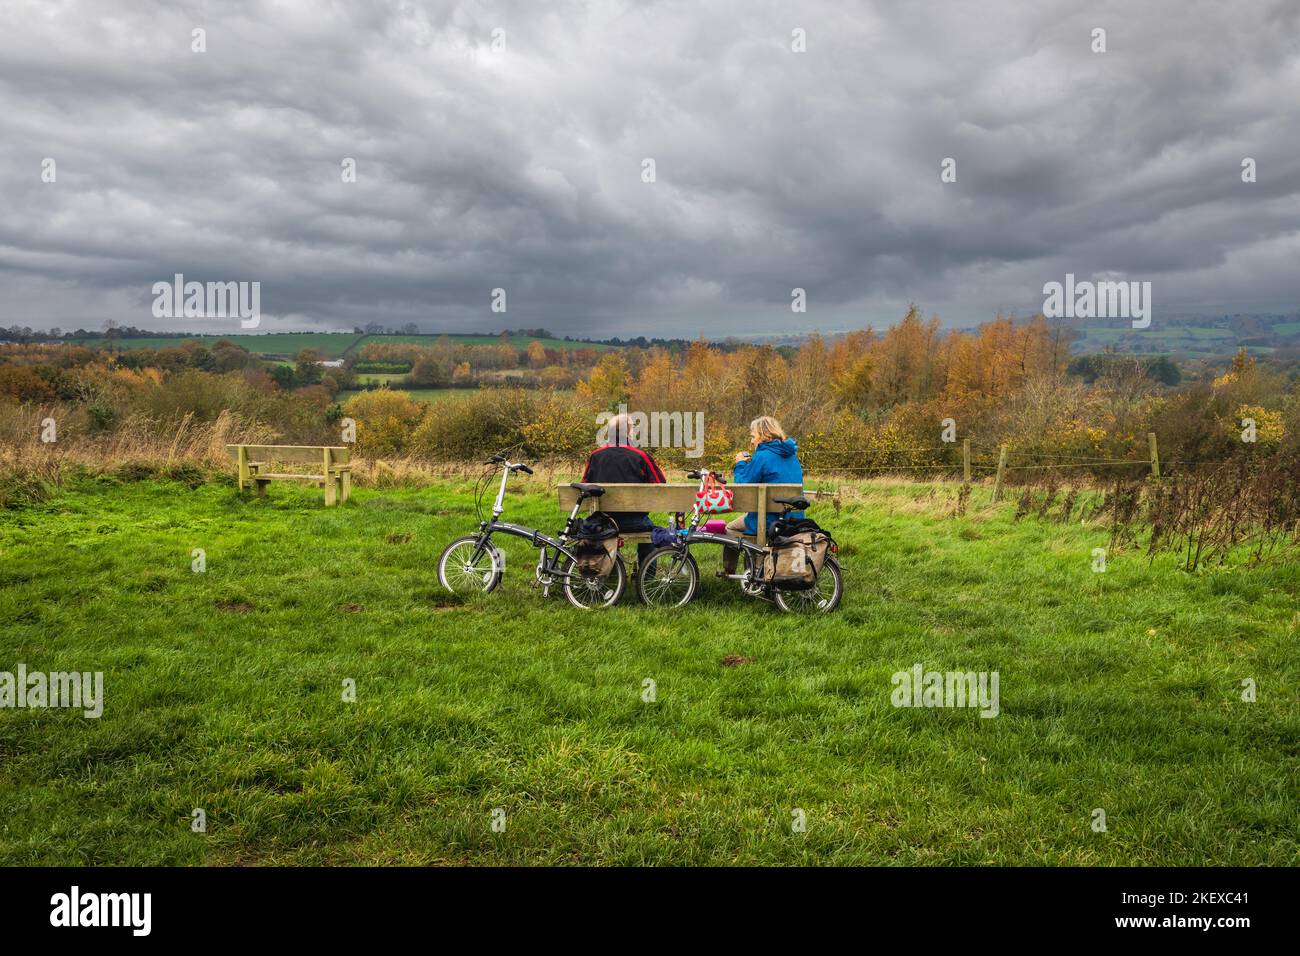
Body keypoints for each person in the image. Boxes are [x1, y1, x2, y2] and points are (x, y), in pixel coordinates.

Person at [722, 416, 804, 574]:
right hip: (793, 519)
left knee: (730, 529)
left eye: (753, 436)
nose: (752, 442)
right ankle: (753, 570)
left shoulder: (762, 457)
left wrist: (740, 463)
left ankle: (732, 572)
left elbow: (742, 486)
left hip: (768, 520)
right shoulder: (792, 455)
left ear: (763, 435)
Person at [581, 414, 666, 563]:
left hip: (603, 521)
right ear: (628, 432)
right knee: (652, 533)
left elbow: (584, 484)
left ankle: (613, 572)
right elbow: (660, 484)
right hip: (634, 520)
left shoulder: (596, 456)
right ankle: (646, 577)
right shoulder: (640, 456)